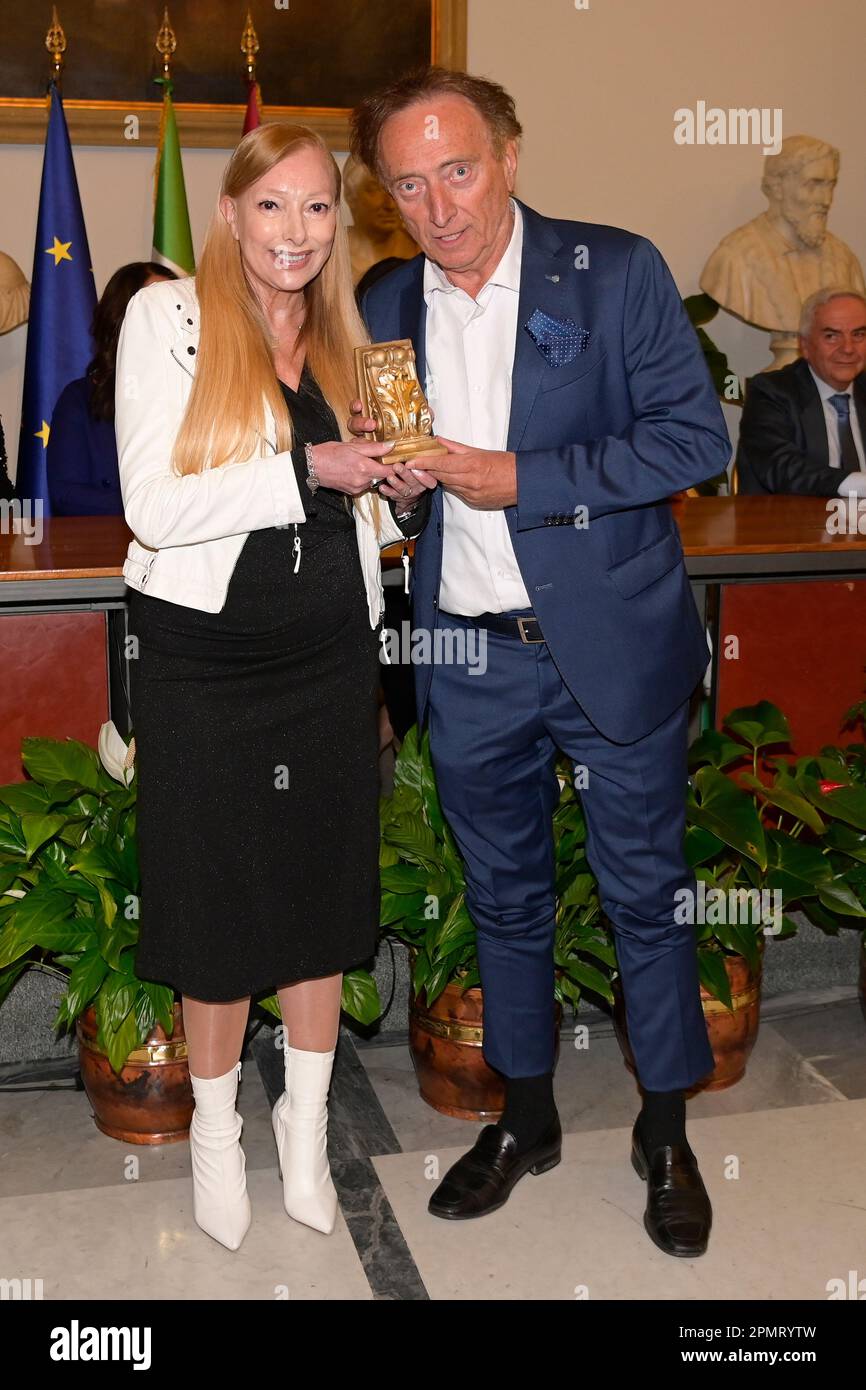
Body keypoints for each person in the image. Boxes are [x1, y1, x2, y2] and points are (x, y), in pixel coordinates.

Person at [349, 67, 731, 1257]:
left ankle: (662, 1132)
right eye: (407, 184)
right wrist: (394, 481)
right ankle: (524, 1117)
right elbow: (397, 457)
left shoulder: (611, 270)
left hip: (609, 645)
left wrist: (524, 479)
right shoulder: (383, 294)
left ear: (508, 156)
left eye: (456, 170)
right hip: (465, 654)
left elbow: (691, 436)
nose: (438, 206)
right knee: (502, 899)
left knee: (645, 897)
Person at [114, 123, 431, 1252]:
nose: (294, 232)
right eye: (271, 207)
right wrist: (311, 468)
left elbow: (371, 519)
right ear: (232, 212)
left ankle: (302, 1130)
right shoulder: (169, 318)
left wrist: (396, 486)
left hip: (325, 654)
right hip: (205, 658)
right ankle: (213, 1133)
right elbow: (153, 504)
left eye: (315, 209)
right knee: (215, 897)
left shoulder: (352, 338)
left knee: (313, 890)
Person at [47, 263, 177, 515]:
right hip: (108, 545)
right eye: (158, 306)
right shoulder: (80, 400)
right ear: (121, 319)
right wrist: (154, 507)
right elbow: (67, 495)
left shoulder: (202, 394)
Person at [736, 288, 866, 494]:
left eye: (859, 334)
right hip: (792, 522)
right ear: (804, 345)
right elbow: (781, 467)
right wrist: (858, 484)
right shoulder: (770, 392)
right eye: (832, 336)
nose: (848, 348)